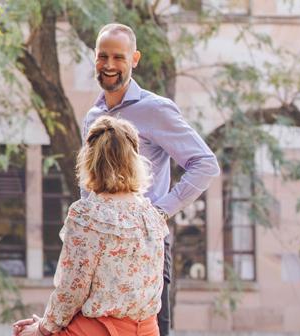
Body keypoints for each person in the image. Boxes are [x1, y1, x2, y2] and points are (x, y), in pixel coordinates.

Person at [82, 23, 220, 335]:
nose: (109, 65)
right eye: (103, 56)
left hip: (145, 249)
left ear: (135, 59)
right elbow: (88, 185)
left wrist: (159, 212)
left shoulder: (155, 109)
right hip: (100, 251)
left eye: (118, 57)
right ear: (95, 58)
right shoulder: (92, 116)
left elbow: (205, 164)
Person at [14, 116, 169, 336]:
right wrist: (49, 322)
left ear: (90, 161)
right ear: (134, 160)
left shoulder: (87, 215)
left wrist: (41, 328)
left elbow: (72, 290)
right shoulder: (152, 216)